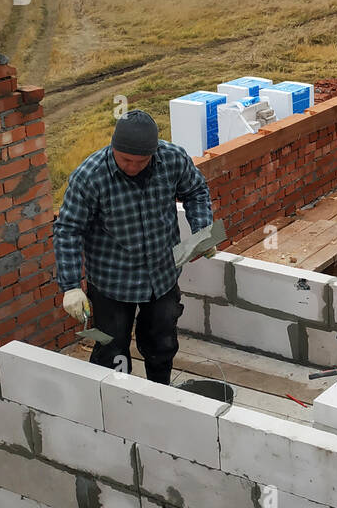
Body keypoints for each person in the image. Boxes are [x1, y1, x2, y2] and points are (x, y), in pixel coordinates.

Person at [53, 109, 215, 384]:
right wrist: (70, 286)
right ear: (114, 147)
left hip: (162, 275)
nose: (132, 166)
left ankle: (160, 393)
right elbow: (68, 229)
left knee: (162, 342)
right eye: (126, 159)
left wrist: (203, 229)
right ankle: (117, 402)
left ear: (154, 152)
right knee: (110, 346)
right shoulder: (90, 176)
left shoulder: (173, 159)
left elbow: (196, 191)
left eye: (141, 161)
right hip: (111, 283)